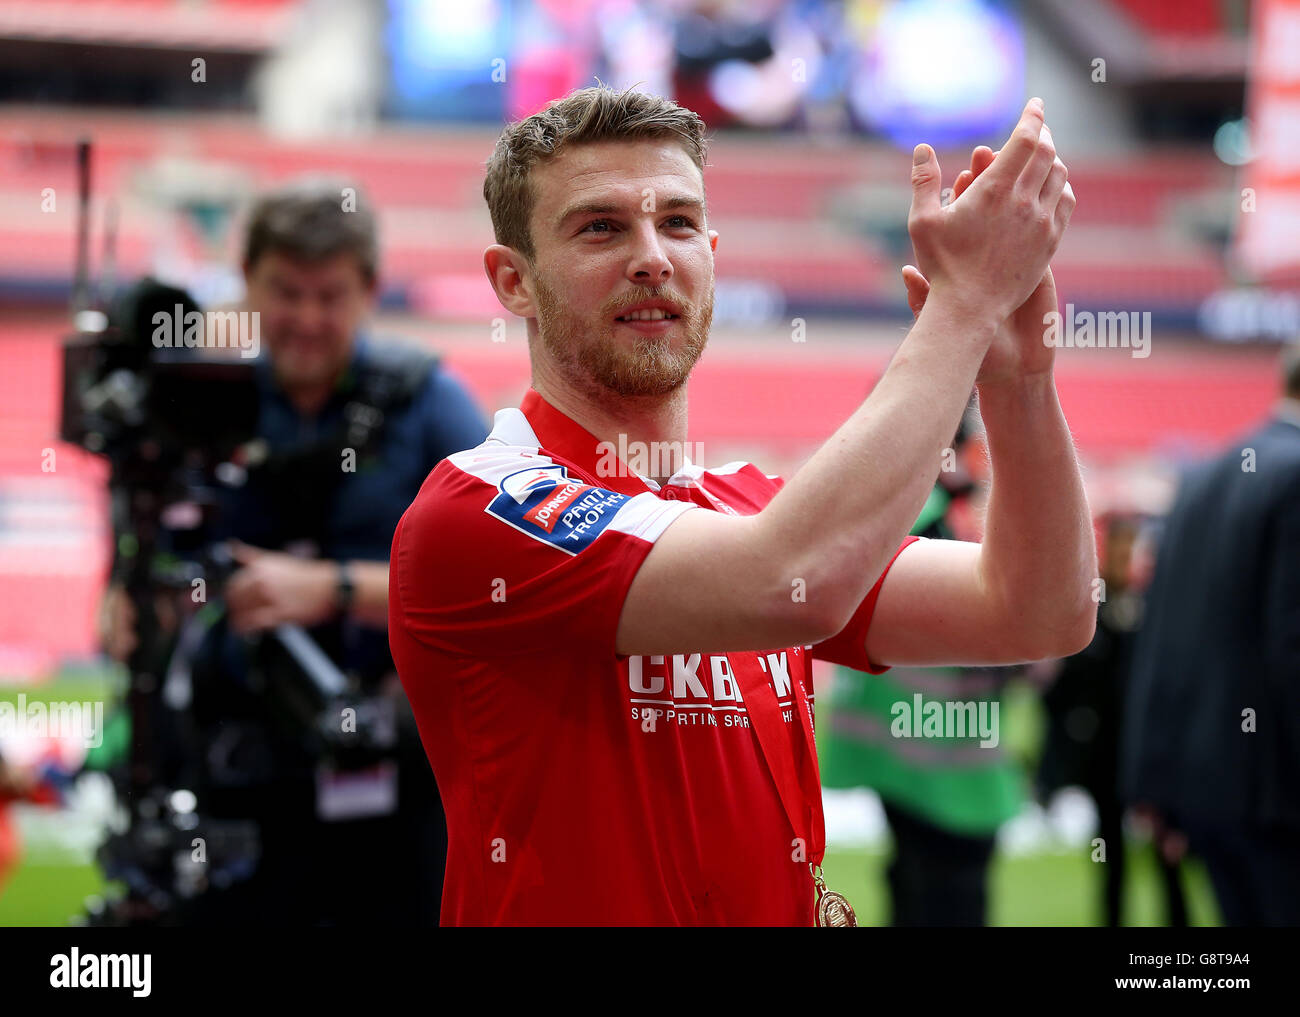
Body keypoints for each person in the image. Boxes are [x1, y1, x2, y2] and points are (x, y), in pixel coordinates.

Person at [388, 85, 1096, 926]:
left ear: (713, 254)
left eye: (679, 223)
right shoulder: (477, 508)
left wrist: (1016, 379)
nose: (652, 256)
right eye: (600, 227)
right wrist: (963, 306)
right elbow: (788, 574)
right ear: (514, 281)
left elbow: (1037, 610)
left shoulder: (747, 506)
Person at [103, 179, 489, 925]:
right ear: (247, 282)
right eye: (286, 291)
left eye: (330, 295)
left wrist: (335, 587)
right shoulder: (196, 401)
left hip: (397, 784)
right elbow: (140, 572)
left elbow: (502, 578)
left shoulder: (428, 401)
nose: (307, 319)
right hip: (231, 784)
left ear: (370, 290)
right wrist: (132, 609)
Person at [1121, 340, 1300, 927]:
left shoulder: (1201, 478)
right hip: (1276, 789)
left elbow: (1162, 638)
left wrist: (1153, 779)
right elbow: (1291, 646)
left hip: (1205, 785)